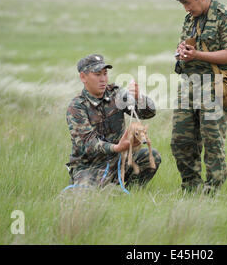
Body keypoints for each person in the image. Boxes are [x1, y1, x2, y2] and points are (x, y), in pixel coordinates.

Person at [170, 0, 227, 194]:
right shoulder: (190, 18)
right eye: (182, 4)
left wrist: (197, 55)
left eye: (187, 3)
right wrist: (182, 52)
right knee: (180, 141)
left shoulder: (226, 17)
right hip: (189, 86)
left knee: (212, 142)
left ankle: (212, 191)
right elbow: (186, 45)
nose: (185, 8)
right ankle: (190, 188)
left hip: (214, 87)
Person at [65, 53, 161, 189]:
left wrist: (138, 97)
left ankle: (129, 191)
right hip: (90, 166)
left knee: (152, 157)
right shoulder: (77, 107)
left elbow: (149, 113)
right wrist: (116, 148)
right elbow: (87, 143)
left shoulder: (116, 94)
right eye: (97, 75)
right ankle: (99, 186)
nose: (103, 79)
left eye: (105, 74)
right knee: (84, 192)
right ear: (83, 77)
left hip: (119, 161)